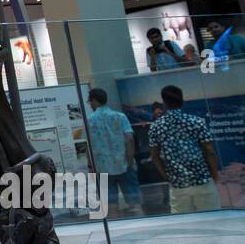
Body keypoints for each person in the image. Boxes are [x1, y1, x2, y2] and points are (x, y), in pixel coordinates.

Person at [148, 85, 221, 214]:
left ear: (164, 103)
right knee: (212, 219)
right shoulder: (197, 121)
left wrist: (167, 177)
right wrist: (214, 174)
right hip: (202, 179)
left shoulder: (156, 127)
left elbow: (155, 157)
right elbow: (210, 151)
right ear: (182, 101)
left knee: (185, 224)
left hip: (178, 184)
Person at [75, 87, 140, 215]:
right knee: (135, 204)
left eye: (90, 102)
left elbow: (87, 145)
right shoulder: (120, 116)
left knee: (111, 206)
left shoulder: (89, 120)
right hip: (124, 164)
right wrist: (130, 160)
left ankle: (114, 233)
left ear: (94, 100)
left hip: (102, 167)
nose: (90, 104)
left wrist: (90, 165)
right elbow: (129, 139)